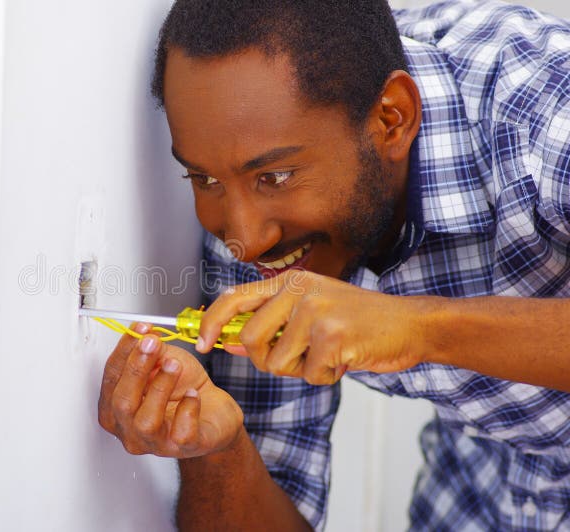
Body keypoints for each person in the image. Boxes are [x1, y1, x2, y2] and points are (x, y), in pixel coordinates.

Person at [97, 0, 570, 530]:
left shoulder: (543, 106)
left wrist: (415, 328)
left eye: (274, 176)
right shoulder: (251, 251)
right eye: (204, 179)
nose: (245, 242)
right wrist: (218, 450)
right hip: (495, 493)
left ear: (392, 119)